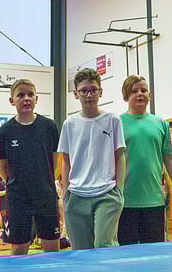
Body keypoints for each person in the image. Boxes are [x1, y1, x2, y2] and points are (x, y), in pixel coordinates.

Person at [57, 69, 125, 250]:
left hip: (107, 193)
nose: (89, 95)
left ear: (101, 92)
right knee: (80, 251)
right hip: (76, 195)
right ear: (75, 94)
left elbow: (120, 156)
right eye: (84, 91)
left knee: (104, 245)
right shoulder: (69, 124)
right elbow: (65, 160)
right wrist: (65, 196)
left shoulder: (112, 120)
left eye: (93, 90)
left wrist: (119, 191)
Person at [118, 75, 172, 245]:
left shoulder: (161, 123)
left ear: (149, 94)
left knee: (154, 253)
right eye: (134, 91)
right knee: (128, 256)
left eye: (144, 90)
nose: (140, 94)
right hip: (124, 203)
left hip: (154, 202)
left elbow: (170, 157)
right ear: (126, 95)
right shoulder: (117, 122)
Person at [0, 79, 61, 256]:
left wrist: (43, 181)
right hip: (18, 199)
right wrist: (16, 183)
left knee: (52, 248)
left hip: (45, 196)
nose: (26, 98)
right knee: (18, 249)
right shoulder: (6, 131)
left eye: (30, 94)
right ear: (12, 101)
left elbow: (54, 161)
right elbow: (3, 166)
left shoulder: (49, 127)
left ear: (36, 99)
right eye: (21, 95)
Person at [0, 177, 9, 242]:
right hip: (2, 205)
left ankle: (6, 235)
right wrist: (7, 191)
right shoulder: (0, 184)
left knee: (7, 220)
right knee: (4, 220)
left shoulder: (7, 183)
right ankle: (4, 236)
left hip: (8, 205)